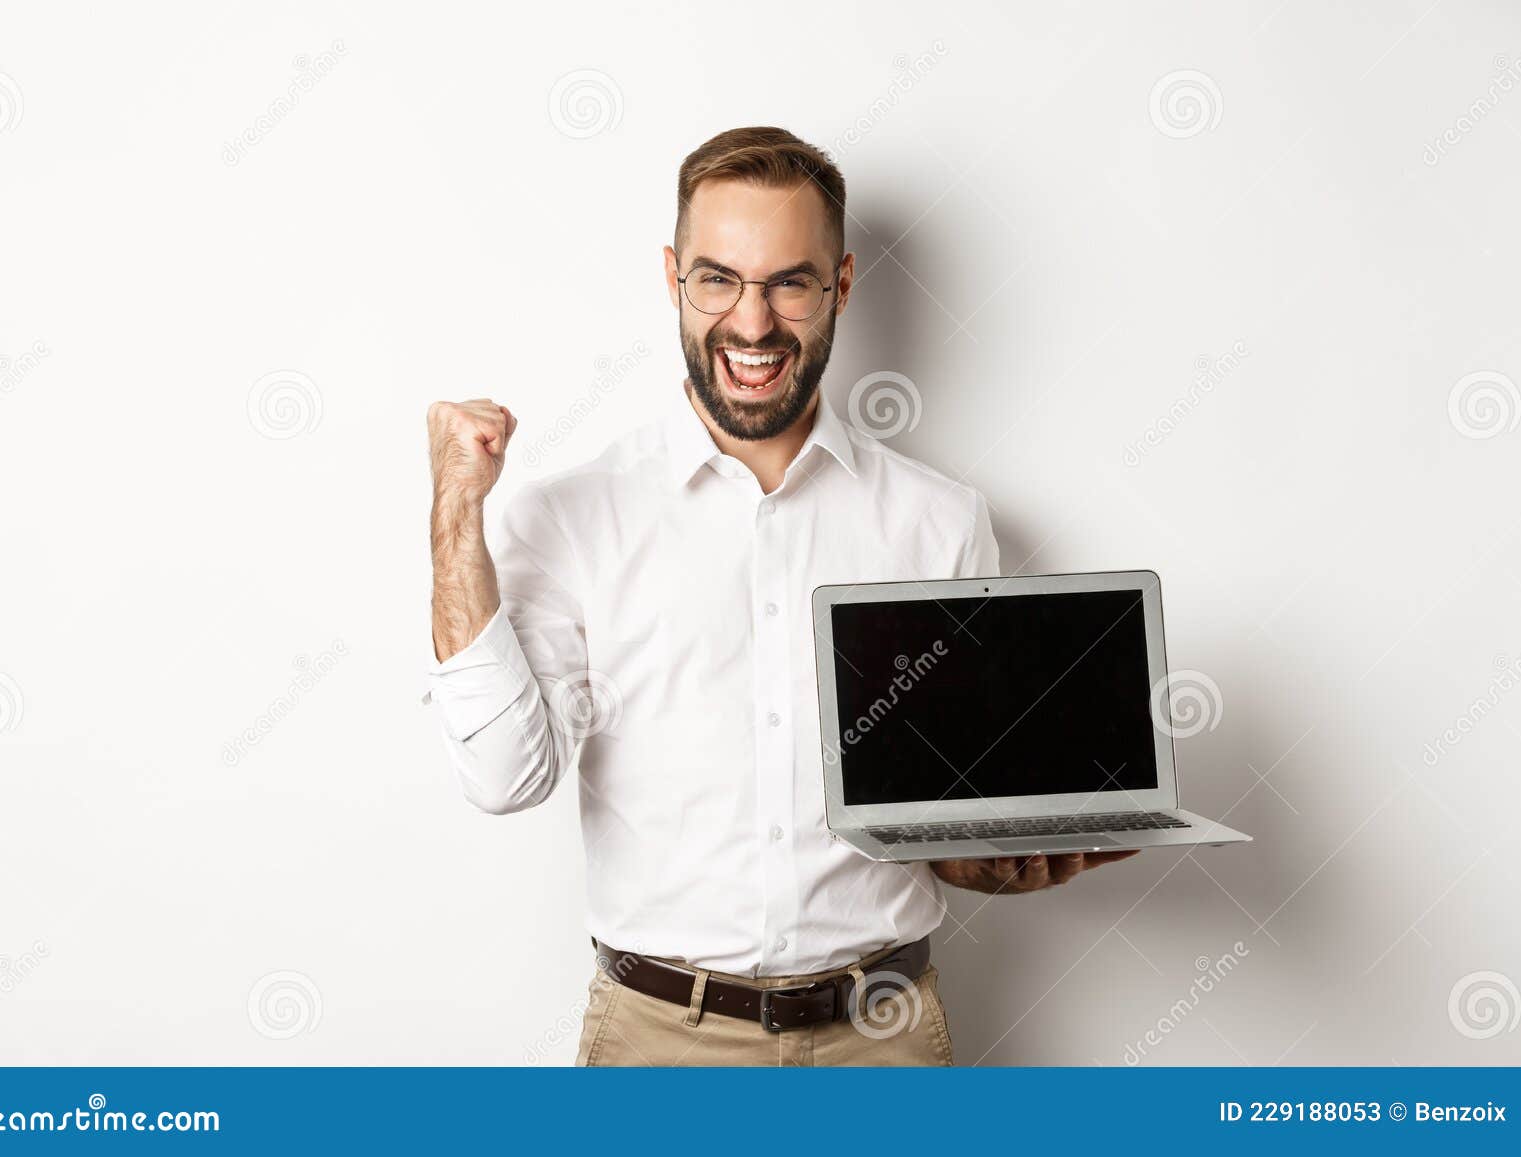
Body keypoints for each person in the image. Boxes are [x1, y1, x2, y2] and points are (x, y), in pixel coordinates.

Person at [424, 126, 1137, 1066]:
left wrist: (990, 859)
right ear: (674, 277)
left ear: (840, 285)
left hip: (881, 1040)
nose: (752, 325)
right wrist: (454, 513)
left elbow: (941, 811)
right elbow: (504, 776)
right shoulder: (571, 516)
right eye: (718, 278)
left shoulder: (941, 523)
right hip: (657, 1045)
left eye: (789, 283)